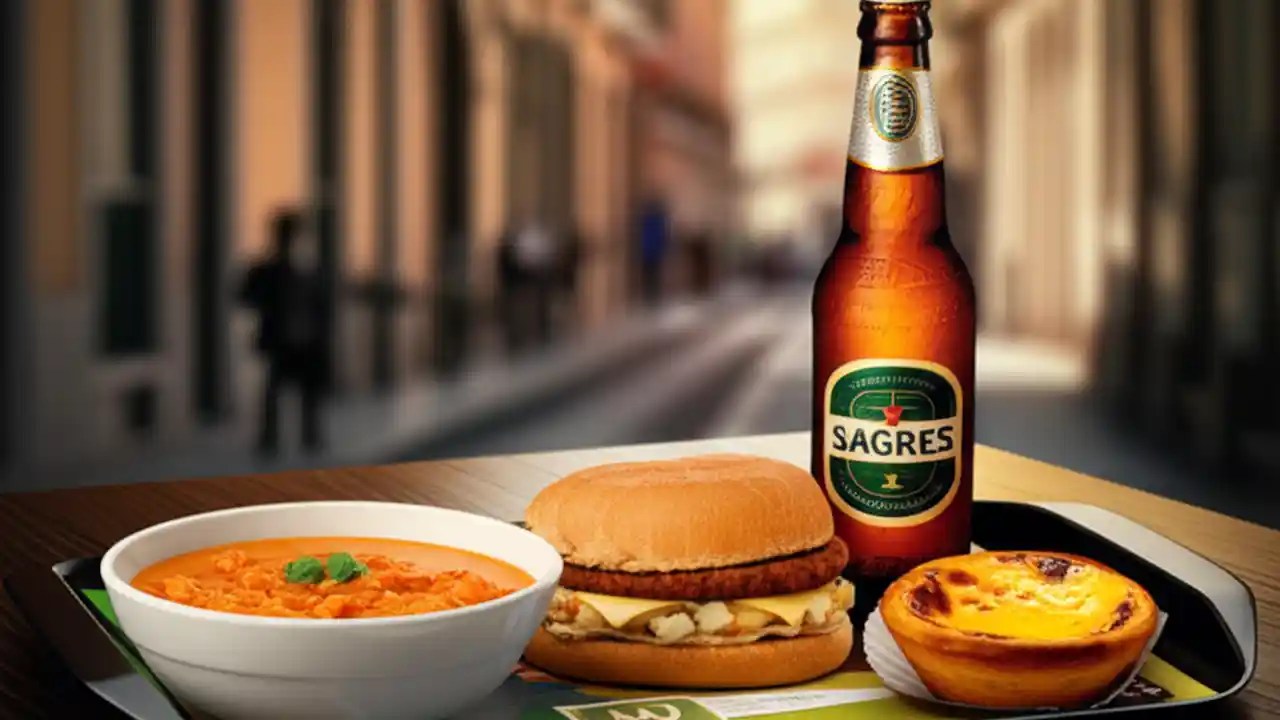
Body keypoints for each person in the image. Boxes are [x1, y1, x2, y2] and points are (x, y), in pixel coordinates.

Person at [239, 209, 328, 455]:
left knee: (305, 392)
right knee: (274, 391)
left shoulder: (307, 268)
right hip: (280, 338)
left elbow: (319, 303)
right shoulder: (266, 269)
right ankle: (271, 438)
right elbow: (245, 296)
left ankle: (308, 436)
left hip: (305, 338)